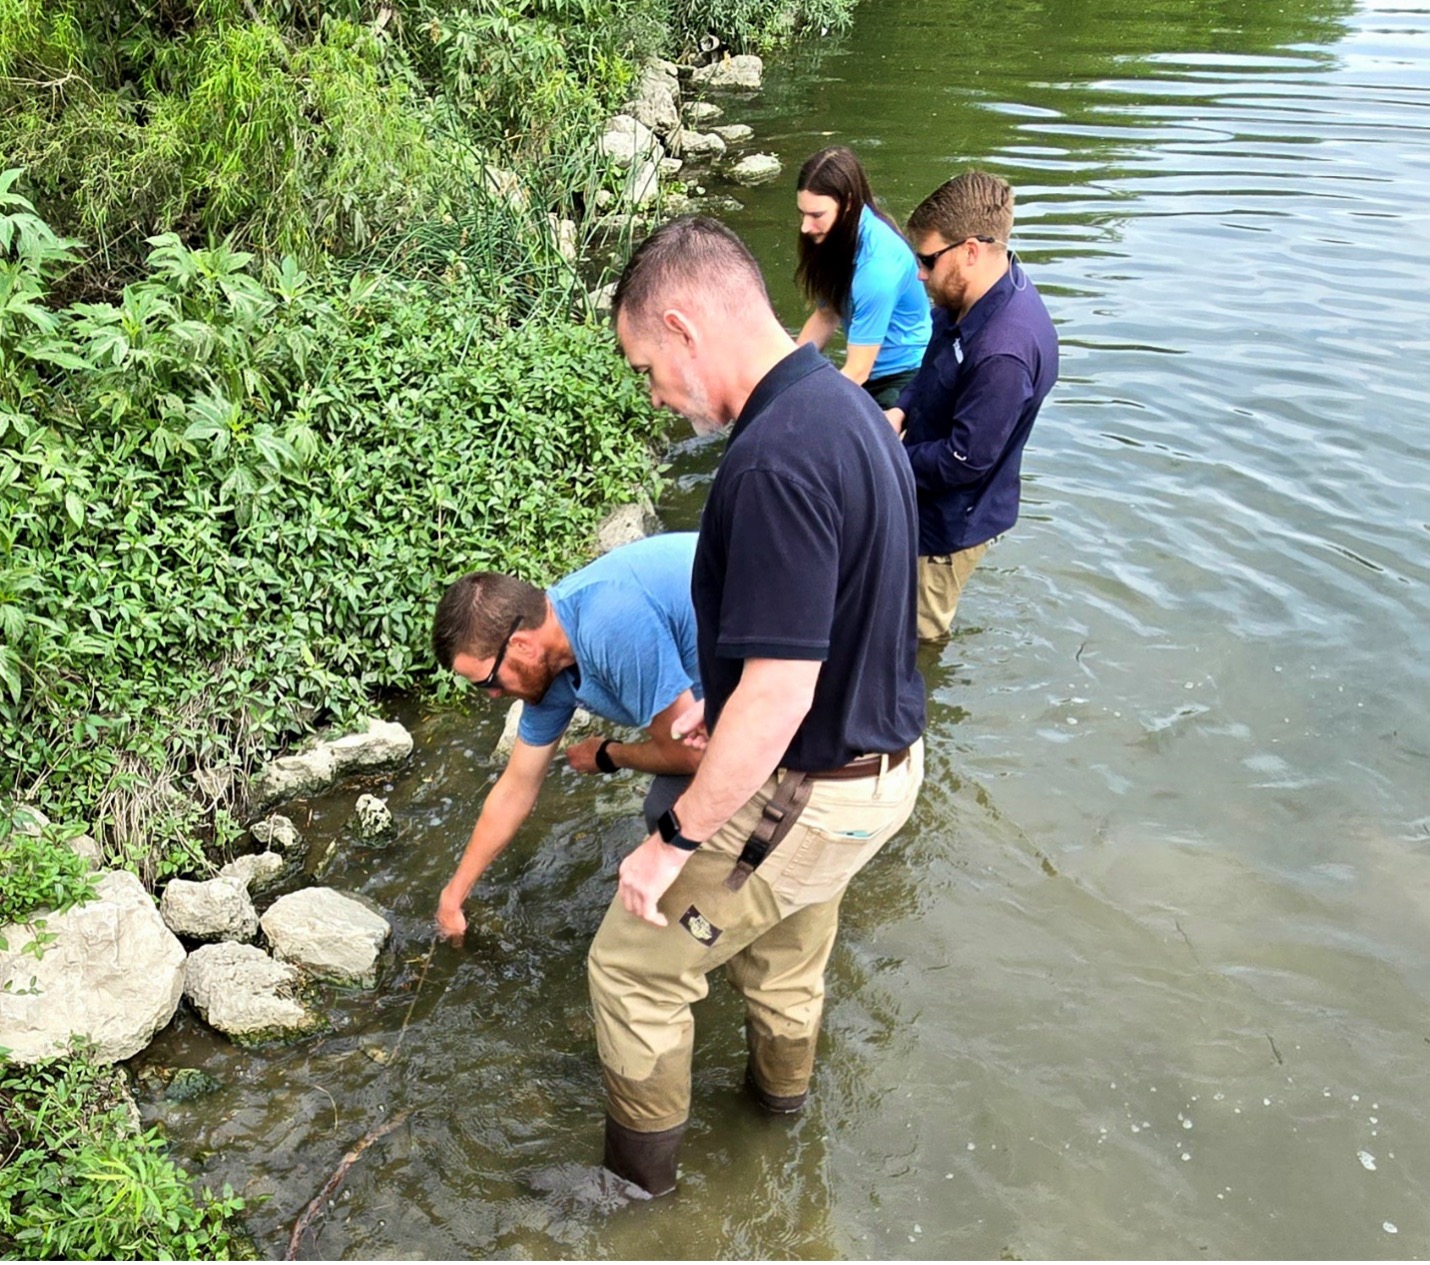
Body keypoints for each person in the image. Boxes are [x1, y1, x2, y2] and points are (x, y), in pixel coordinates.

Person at [601, 215, 927, 1197]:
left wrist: (671, 835)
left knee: (631, 966)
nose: (654, 394)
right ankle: (779, 1133)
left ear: (683, 323)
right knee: (783, 962)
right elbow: (837, 614)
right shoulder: (845, 409)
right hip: (875, 768)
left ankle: (633, 1202)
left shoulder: (773, 458)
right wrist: (722, 696)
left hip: (810, 789)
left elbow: (783, 691)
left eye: (646, 365)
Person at [430, 533, 702, 941]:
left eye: (487, 680)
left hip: (797, 675)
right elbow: (515, 788)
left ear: (520, 644)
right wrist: (453, 896)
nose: (491, 696)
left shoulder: (609, 625)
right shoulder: (547, 670)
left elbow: (691, 757)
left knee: (669, 814)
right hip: (711, 701)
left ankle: (706, 933)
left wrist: (611, 755)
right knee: (665, 813)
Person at [884, 169, 1059, 640]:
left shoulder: (1005, 350)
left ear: (970, 251)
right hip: (923, 487)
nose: (919, 274)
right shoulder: (964, 296)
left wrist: (885, 457)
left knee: (918, 637)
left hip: (951, 523)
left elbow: (966, 460)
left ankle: (923, 702)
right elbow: (932, 364)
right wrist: (901, 409)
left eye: (927, 259)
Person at [793, 146, 931, 408]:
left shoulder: (877, 269)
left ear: (848, 204)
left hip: (904, 378)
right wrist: (784, 379)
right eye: (802, 213)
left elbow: (857, 371)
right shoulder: (836, 239)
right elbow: (826, 315)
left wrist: (801, 406)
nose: (805, 227)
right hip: (867, 368)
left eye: (816, 215)